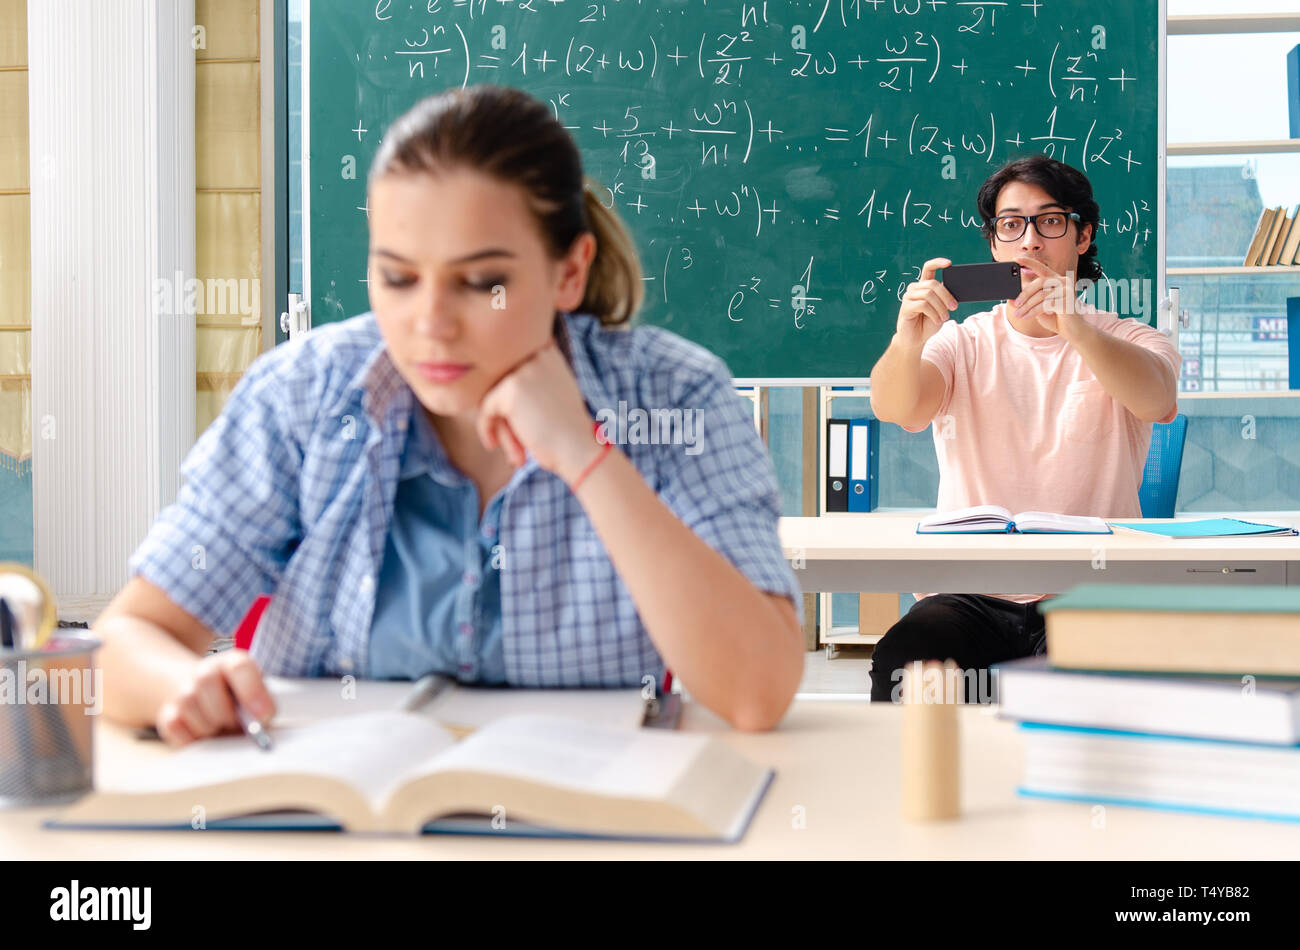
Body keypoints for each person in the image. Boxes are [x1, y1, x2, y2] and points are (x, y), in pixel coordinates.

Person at [94, 85, 804, 744]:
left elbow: (756, 691)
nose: (430, 323)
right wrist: (183, 685)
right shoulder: (302, 395)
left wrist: (586, 456)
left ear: (569, 272)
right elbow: (123, 641)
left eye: (483, 282)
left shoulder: (674, 396)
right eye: (399, 277)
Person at [868, 154, 1179, 702]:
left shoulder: (1130, 337)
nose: (1029, 241)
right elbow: (899, 408)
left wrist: (1074, 329)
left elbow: (1158, 401)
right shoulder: (962, 342)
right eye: (1012, 225)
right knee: (908, 656)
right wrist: (907, 339)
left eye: (1049, 221)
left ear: (1082, 237)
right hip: (968, 590)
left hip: (1088, 588)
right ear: (995, 244)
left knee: (1104, 679)